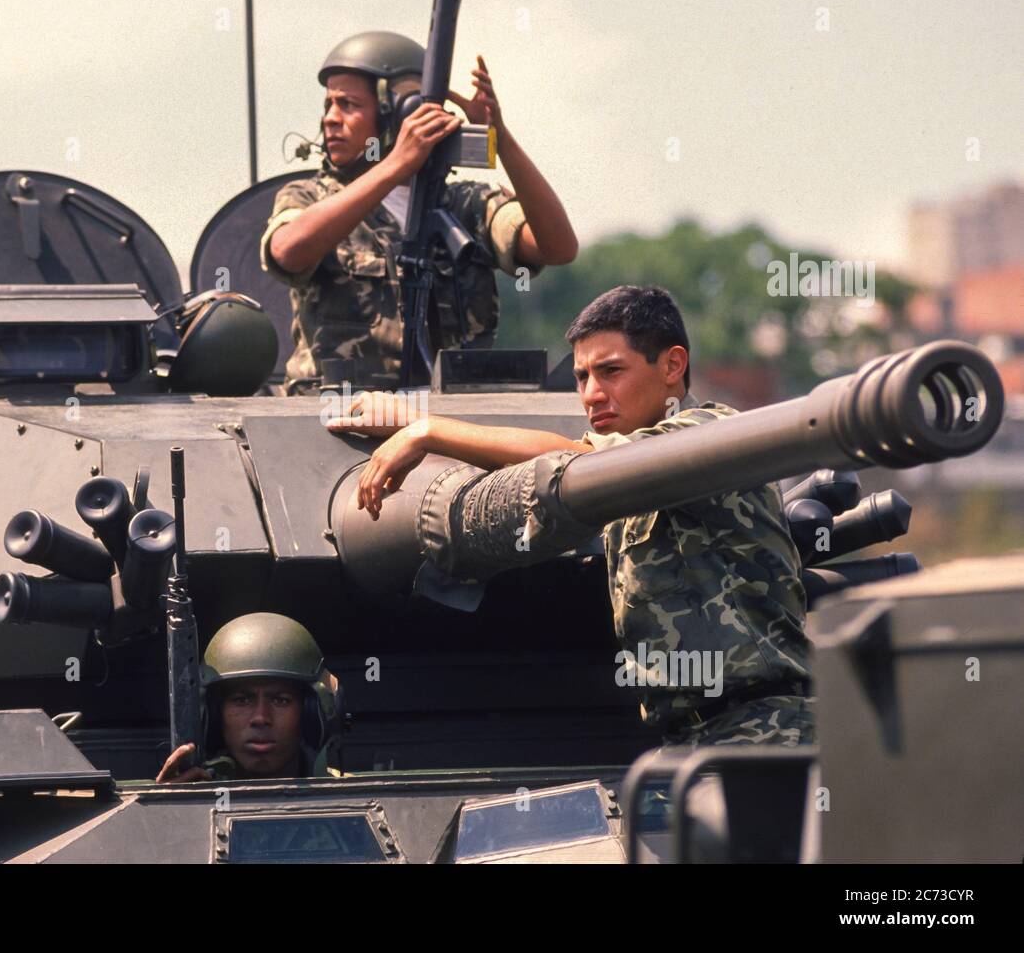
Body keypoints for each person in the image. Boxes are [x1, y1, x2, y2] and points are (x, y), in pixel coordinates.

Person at [326, 285, 815, 747]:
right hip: (689, 737)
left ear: (672, 366)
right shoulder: (630, 477)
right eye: (583, 376)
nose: (592, 394)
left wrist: (423, 427)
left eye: (611, 371)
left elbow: (578, 468)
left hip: (762, 729)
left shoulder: (708, 434)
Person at [261, 31, 578, 393]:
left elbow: (557, 247)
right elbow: (287, 251)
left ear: (398, 113)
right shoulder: (310, 198)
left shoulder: (463, 205)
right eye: (328, 105)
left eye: (347, 104)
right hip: (337, 420)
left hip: (449, 421)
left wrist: (500, 138)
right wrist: (397, 164)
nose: (331, 119)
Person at [156, 612, 344, 782]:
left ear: (312, 712)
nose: (261, 718)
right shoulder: (179, 796)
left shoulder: (348, 796)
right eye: (241, 700)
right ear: (213, 714)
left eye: (281, 700)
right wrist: (170, 809)